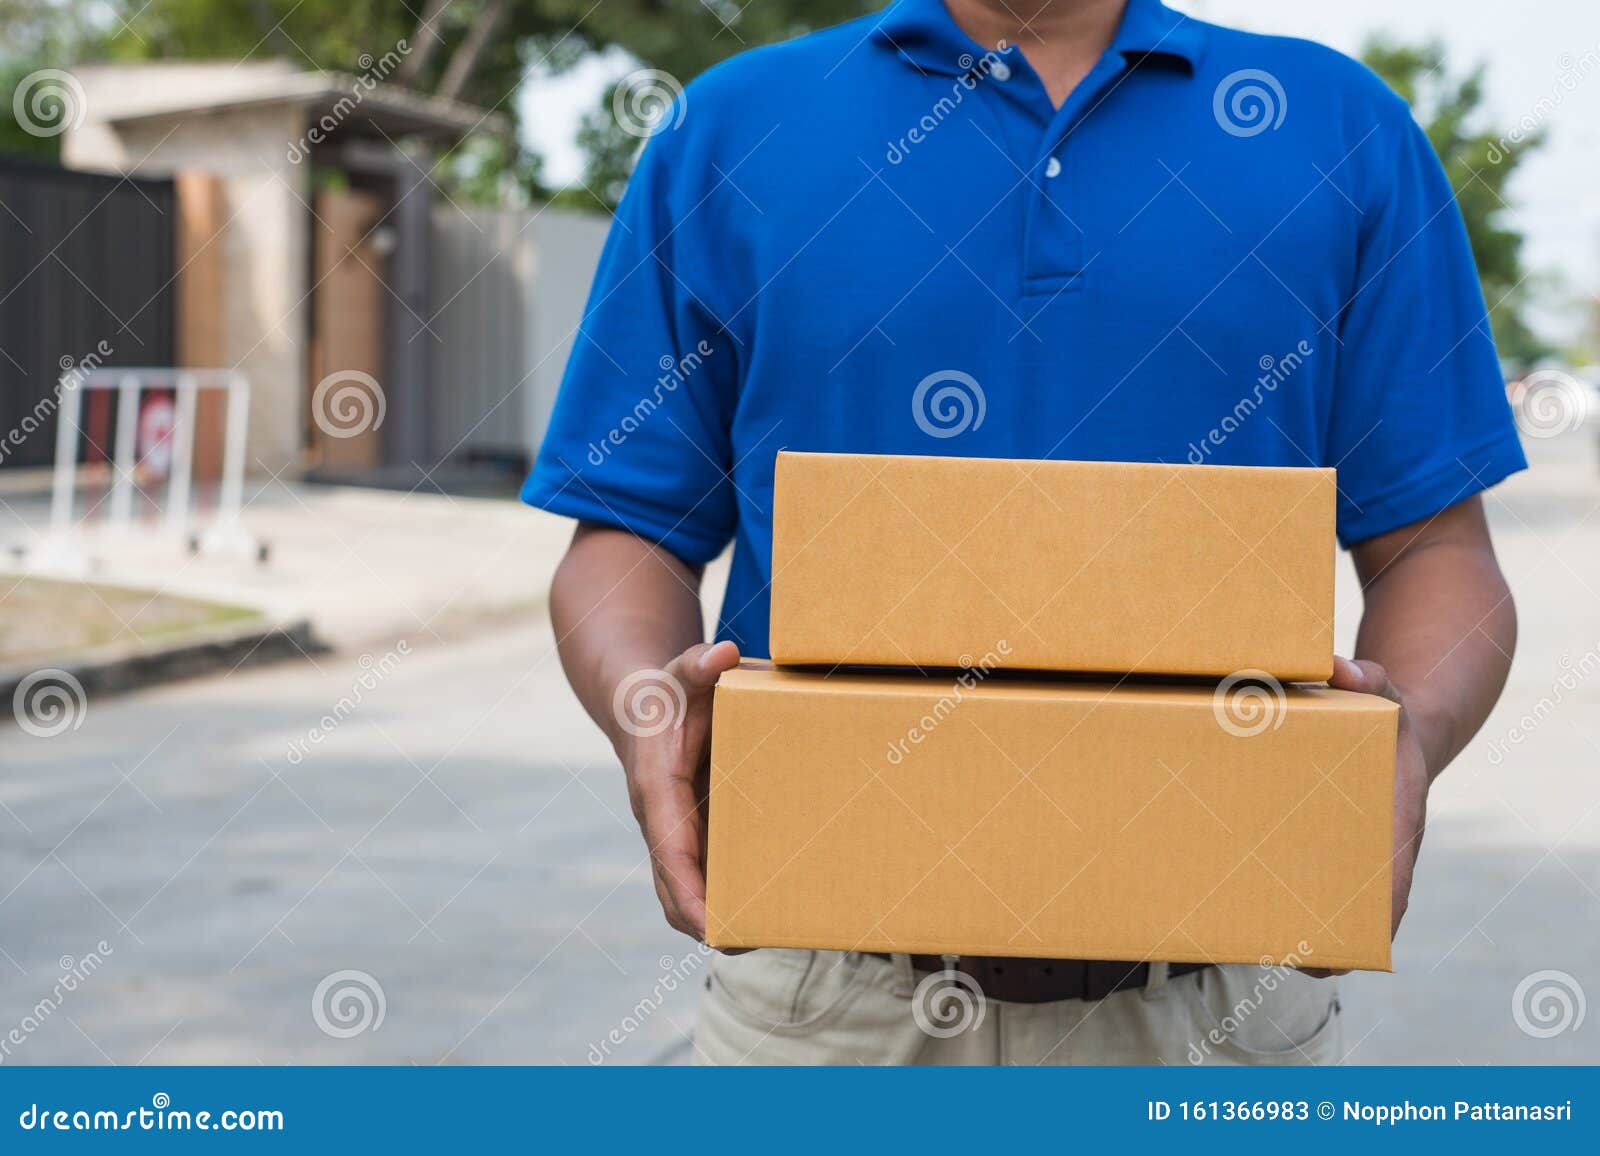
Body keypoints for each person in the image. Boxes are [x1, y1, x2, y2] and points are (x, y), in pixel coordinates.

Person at [523, 0, 1524, 1064]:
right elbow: (627, 532)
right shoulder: (733, 128)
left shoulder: (1340, 129)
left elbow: (1436, 551)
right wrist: (645, 704)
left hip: (1219, 1002)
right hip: (826, 1001)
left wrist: (1403, 738)